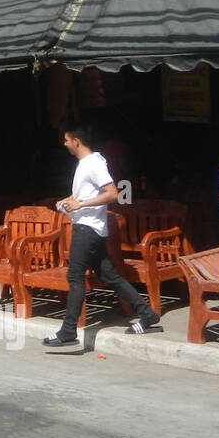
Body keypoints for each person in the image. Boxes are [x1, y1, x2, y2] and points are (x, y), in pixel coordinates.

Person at [43, 124, 160, 346]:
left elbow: (112, 193)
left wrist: (81, 204)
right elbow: (83, 196)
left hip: (87, 228)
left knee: (75, 277)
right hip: (89, 227)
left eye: (66, 140)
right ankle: (148, 314)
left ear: (76, 141)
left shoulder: (93, 164)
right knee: (109, 276)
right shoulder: (85, 164)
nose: (65, 144)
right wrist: (67, 201)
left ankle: (68, 331)